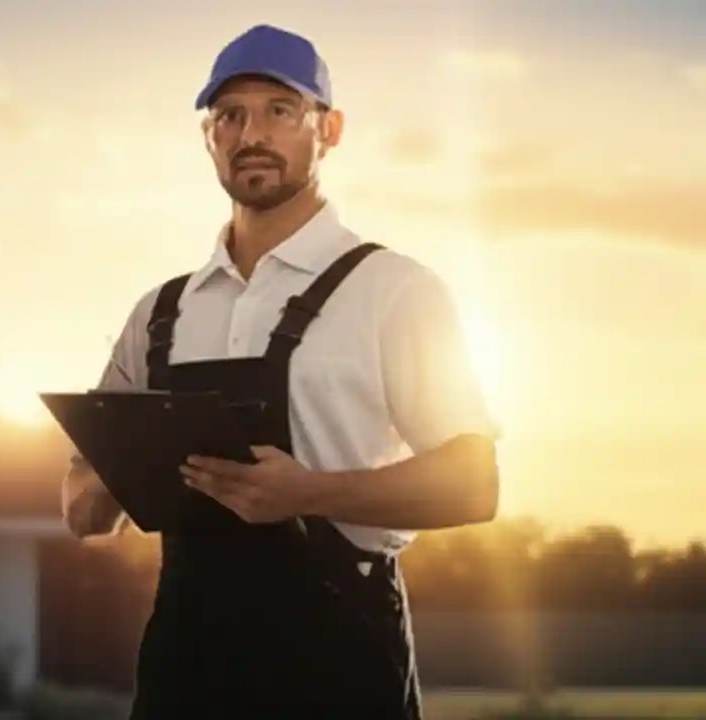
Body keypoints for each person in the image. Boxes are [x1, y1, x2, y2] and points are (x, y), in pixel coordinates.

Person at [60, 23, 502, 718]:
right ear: (209, 137)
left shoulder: (394, 290)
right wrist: (101, 487)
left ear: (329, 129)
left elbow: (474, 484)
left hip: (338, 650)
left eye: (280, 110)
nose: (251, 134)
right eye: (229, 115)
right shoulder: (160, 312)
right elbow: (83, 502)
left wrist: (305, 493)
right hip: (187, 653)